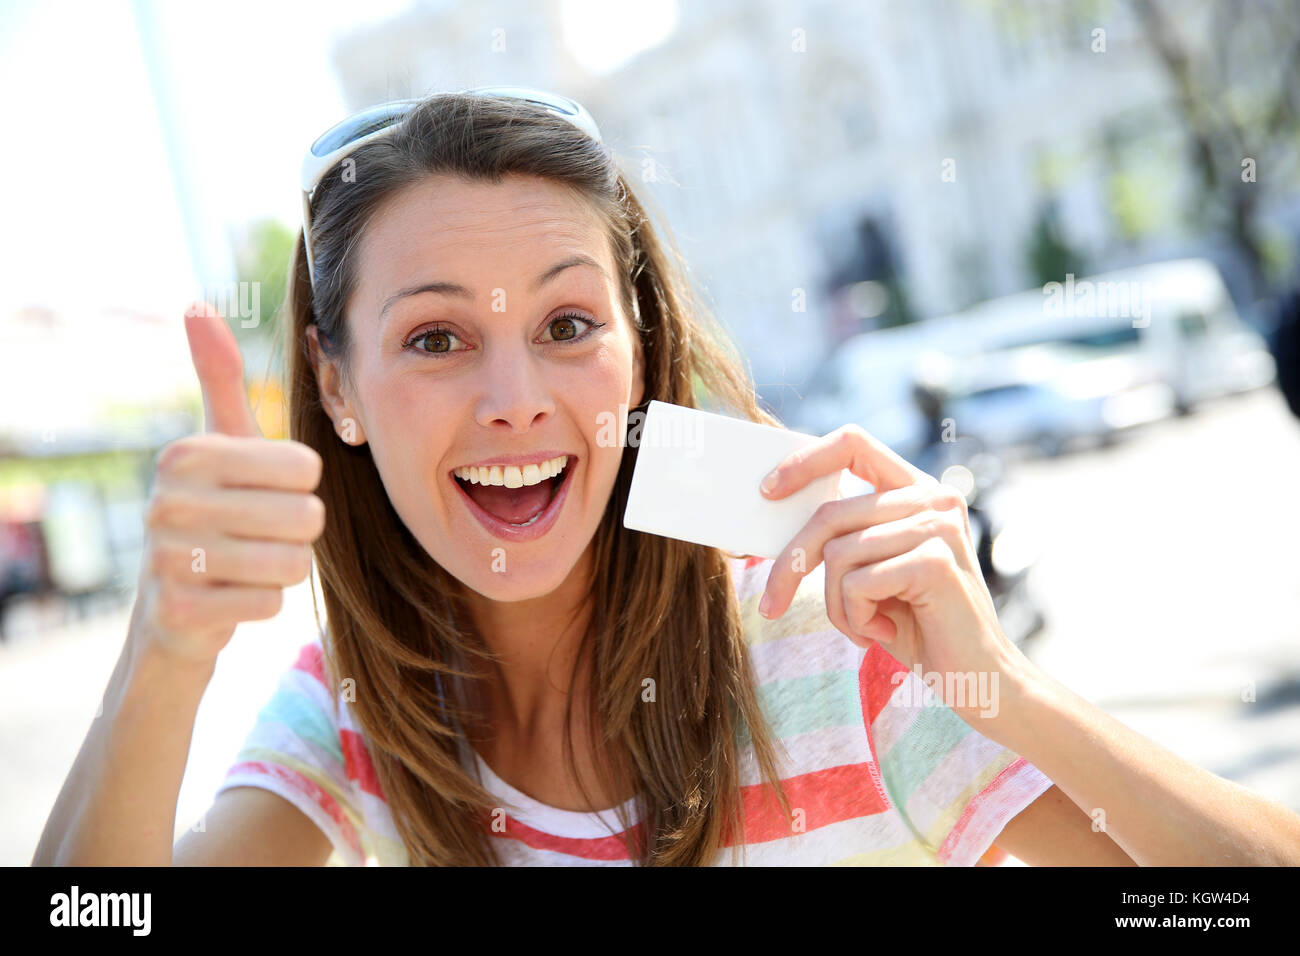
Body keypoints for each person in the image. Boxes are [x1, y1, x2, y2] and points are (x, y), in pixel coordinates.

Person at [34, 90, 1300, 867]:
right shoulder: (359, 710)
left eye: (570, 323)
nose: (516, 395)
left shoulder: (830, 647)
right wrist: (165, 651)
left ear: (642, 354)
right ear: (340, 386)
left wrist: (1004, 687)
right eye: (434, 338)